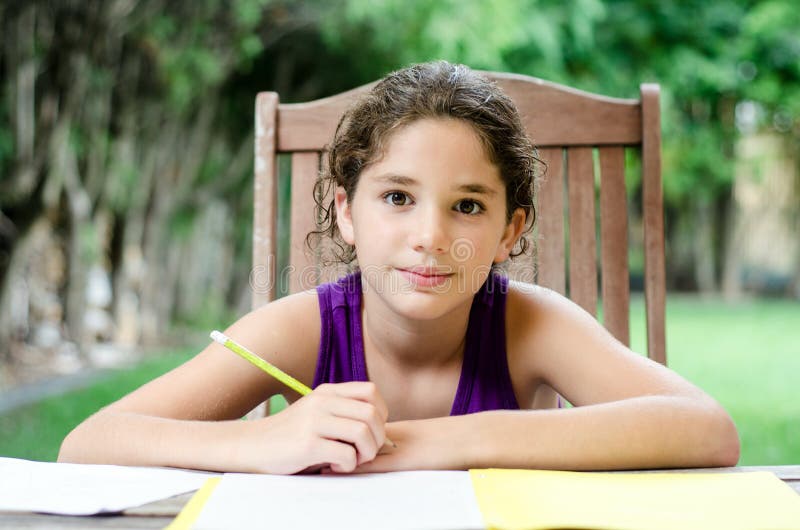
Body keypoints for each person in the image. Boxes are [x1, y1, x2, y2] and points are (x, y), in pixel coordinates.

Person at [59, 61, 739, 475]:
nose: (431, 237)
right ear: (347, 215)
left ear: (511, 230)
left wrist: (421, 444)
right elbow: (89, 443)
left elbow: (707, 429)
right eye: (396, 197)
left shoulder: (531, 325)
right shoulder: (302, 329)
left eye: (467, 206)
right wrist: (265, 440)